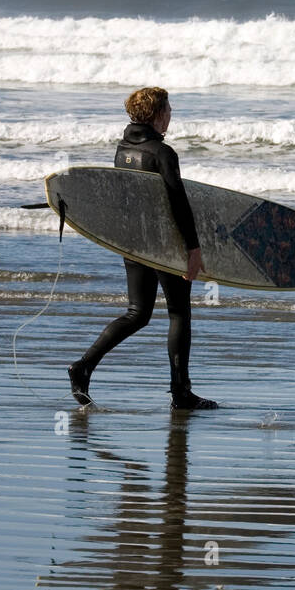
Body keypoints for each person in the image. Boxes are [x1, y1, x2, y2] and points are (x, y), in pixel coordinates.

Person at [66, 87, 216, 410]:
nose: (171, 114)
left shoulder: (122, 151)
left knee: (138, 313)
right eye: (169, 109)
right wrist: (193, 248)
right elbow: (179, 203)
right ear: (157, 114)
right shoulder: (163, 154)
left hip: (133, 242)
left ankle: (83, 366)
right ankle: (181, 393)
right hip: (163, 243)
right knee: (178, 313)